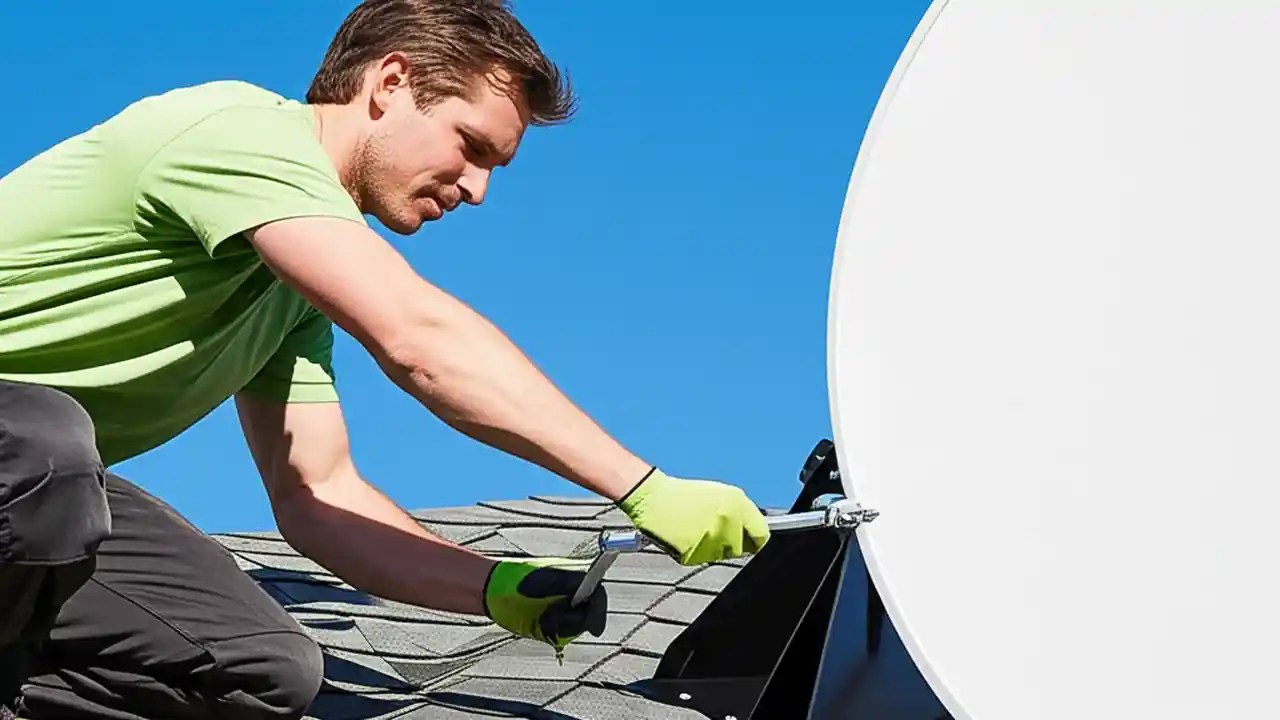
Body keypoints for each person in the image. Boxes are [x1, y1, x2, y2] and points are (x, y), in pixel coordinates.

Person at [0, 1, 772, 718]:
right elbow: (418, 341)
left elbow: (318, 493)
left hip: (29, 486)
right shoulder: (236, 131)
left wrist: (498, 588)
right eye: (472, 147)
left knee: (263, 669)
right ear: (391, 82)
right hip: (28, 459)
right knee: (46, 444)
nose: (477, 190)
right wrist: (642, 487)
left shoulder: (288, 294)